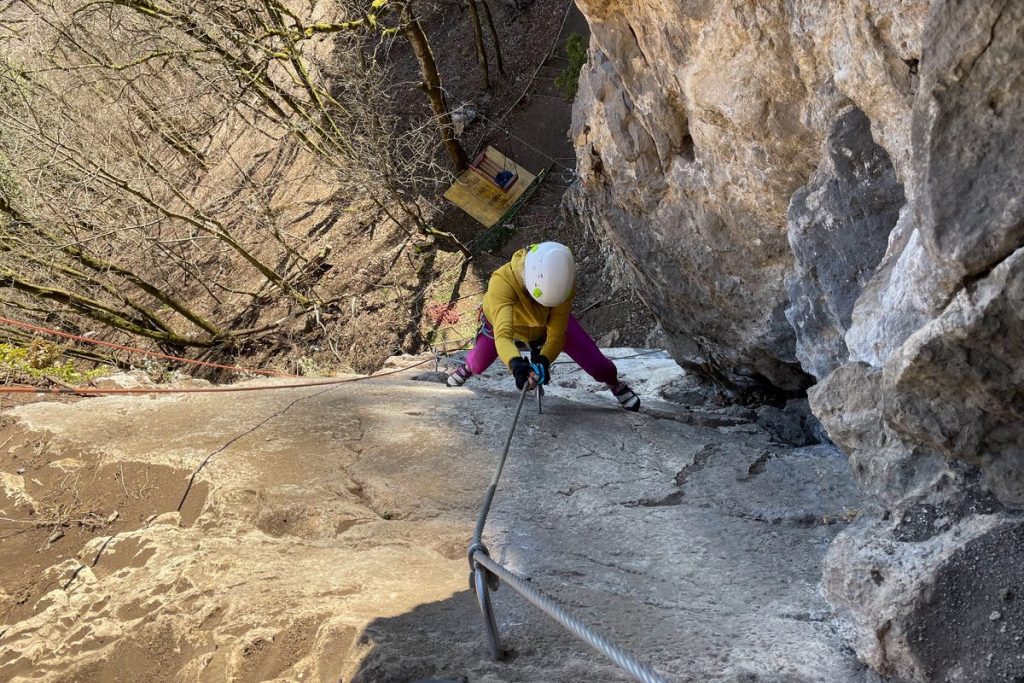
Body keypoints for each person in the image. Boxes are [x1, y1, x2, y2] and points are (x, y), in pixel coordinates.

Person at [447, 242, 640, 411]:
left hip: (545, 323)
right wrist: (516, 365)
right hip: (503, 322)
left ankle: (614, 383)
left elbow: (556, 334)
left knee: (600, 367)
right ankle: (468, 366)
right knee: (478, 364)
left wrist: (544, 360)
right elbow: (503, 335)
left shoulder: (562, 280)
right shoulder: (502, 282)